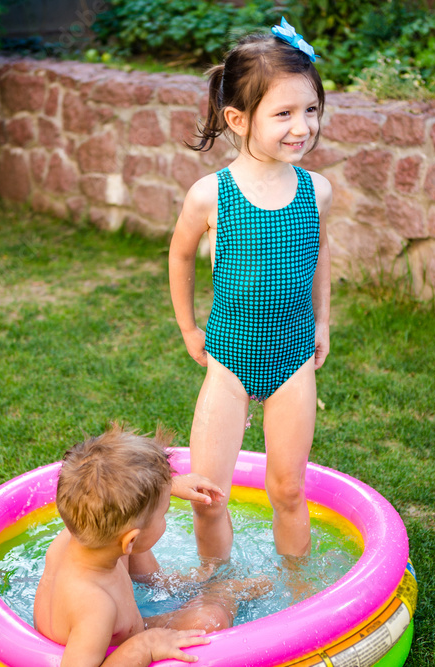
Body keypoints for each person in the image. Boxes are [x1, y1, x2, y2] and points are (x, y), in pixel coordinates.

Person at [168, 18, 332, 563]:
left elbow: (319, 253)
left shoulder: (317, 190)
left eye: (310, 110)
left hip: (292, 361)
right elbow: (181, 254)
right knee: (209, 497)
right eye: (283, 114)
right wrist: (189, 327)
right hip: (230, 363)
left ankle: (298, 597)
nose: (301, 127)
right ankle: (217, 588)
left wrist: (323, 322)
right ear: (238, 119)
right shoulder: (211, 195)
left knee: (288, 490)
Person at [33, 424, 271, 667]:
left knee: (116, 533)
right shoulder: (96, 608)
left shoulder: (80, 533)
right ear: (132, 540)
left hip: (105, 622)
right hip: (117, 643)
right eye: (164, 513)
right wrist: (144, 646)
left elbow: (110, 501)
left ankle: (160, 582)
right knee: (209, 620)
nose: (165, 516)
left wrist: (164, 489)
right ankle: (224, 592)